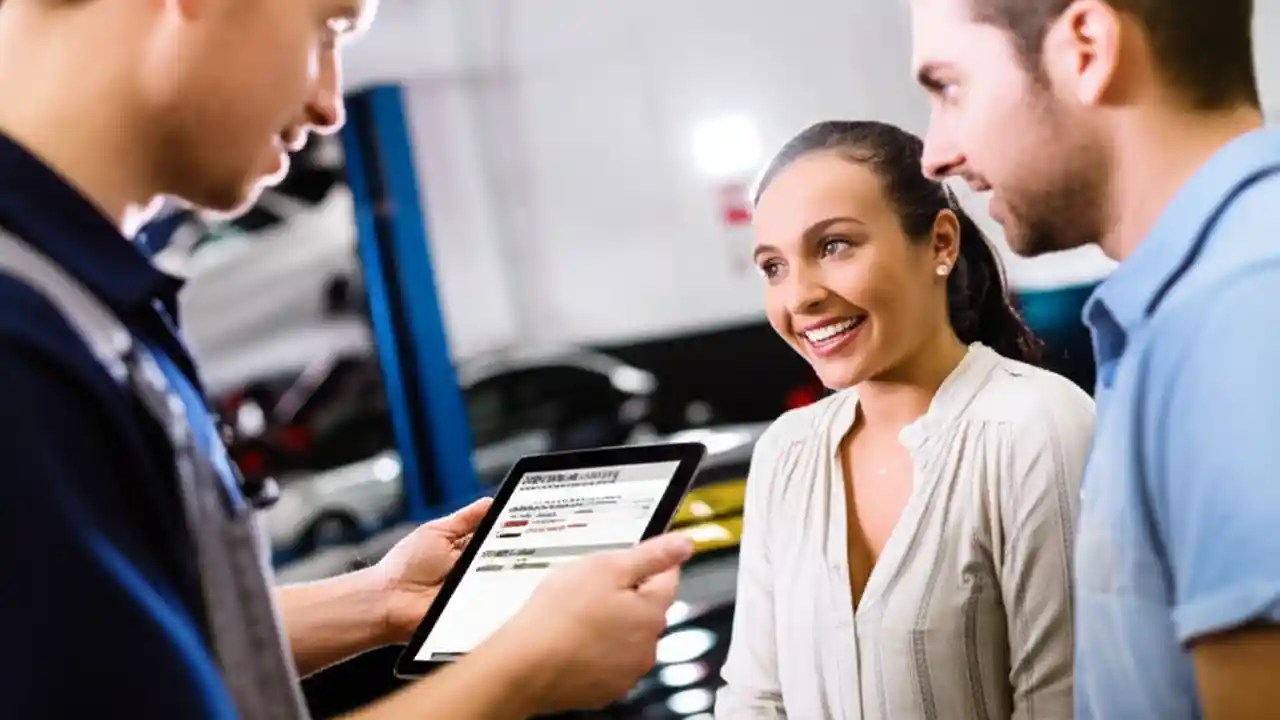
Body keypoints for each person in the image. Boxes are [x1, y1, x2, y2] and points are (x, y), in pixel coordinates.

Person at [0, 0, 692, 718]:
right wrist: (520, 675)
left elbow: (117, 660)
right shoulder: (19, 338)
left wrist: (378, 600)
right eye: (327, 28)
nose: (330, 103)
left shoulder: (74, 305)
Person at [908, 0, 1280, 717]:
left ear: (1086, 47)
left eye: (949, 87)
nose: (935, 153)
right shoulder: (1192, 304)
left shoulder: (1236, 310)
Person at [715, 120, 1095, 719]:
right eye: (773, 267)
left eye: (834, 245)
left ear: (941, 243)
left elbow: (1065, 703)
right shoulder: (786, 452)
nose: (800, 297)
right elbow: (754, 698)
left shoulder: (1036, 425)